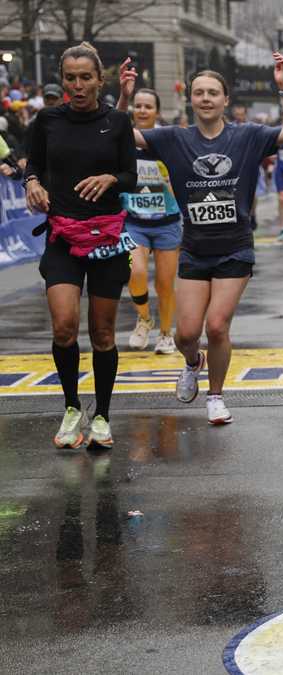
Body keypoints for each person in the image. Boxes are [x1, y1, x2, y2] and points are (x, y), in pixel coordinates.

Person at [119, 54, 283, 424]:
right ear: (190, 99)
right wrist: (124, 98)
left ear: (225, 100)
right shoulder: (173, 138)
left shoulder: (248, 135)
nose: (205, 98)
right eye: (199, 92)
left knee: (217, 325)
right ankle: (192, 362)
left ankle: (216, 396)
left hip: (235, 246)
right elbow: (120, 134)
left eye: (213, 93)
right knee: (188, 334)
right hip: (195, 248)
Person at [26, 43, 137, 449]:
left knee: (103, 333)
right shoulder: (47, 120)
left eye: (85, 77)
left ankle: (103, 415)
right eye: (70, 78)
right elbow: (33, 162)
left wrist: (111, 180)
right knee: (64, 326)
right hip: (61, 236)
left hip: (106, 238)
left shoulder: (118, 122)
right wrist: (32, 184)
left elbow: (131, 176)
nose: (77, 85)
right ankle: (72, 406)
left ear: (99, 80)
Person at [121, 87, 182, 355]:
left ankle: (167, 334)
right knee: (135, 272)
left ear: (157, 111)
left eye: (148, 106)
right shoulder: (120, 140)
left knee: (165, 284)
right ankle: (144, 319)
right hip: (133, 222)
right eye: (139, 105)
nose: (143, 110)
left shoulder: (167, 141)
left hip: (167, 222)